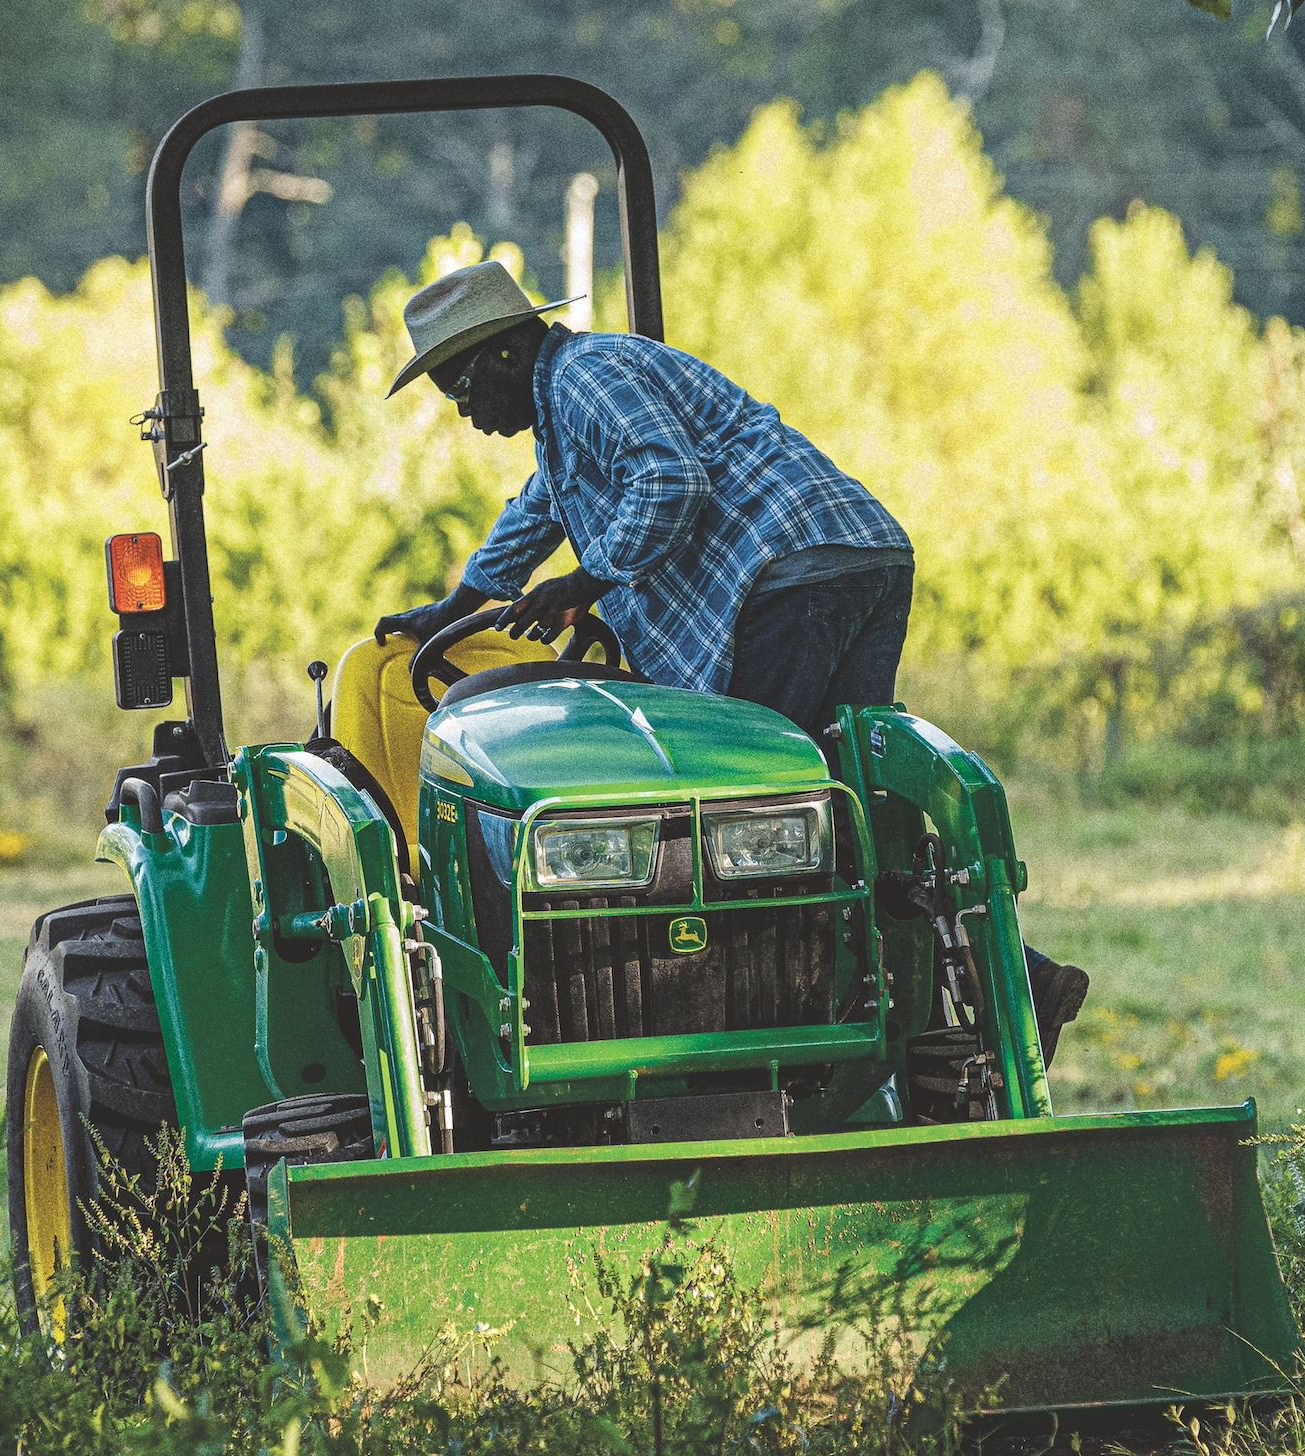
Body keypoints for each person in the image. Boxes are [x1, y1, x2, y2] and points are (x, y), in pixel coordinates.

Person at [375, 260, 1087, 1051]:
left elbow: (669, 479)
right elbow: (536, 512)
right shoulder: (566, 411)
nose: (466, 415)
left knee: (749, 801)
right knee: (847, 793)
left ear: (505, 353)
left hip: (793, 570)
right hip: (859, 555)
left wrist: (585, 582)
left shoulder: (584, 377)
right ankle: (1015, 973)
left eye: (462, 391)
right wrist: (454, 607)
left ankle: (757, 1020)